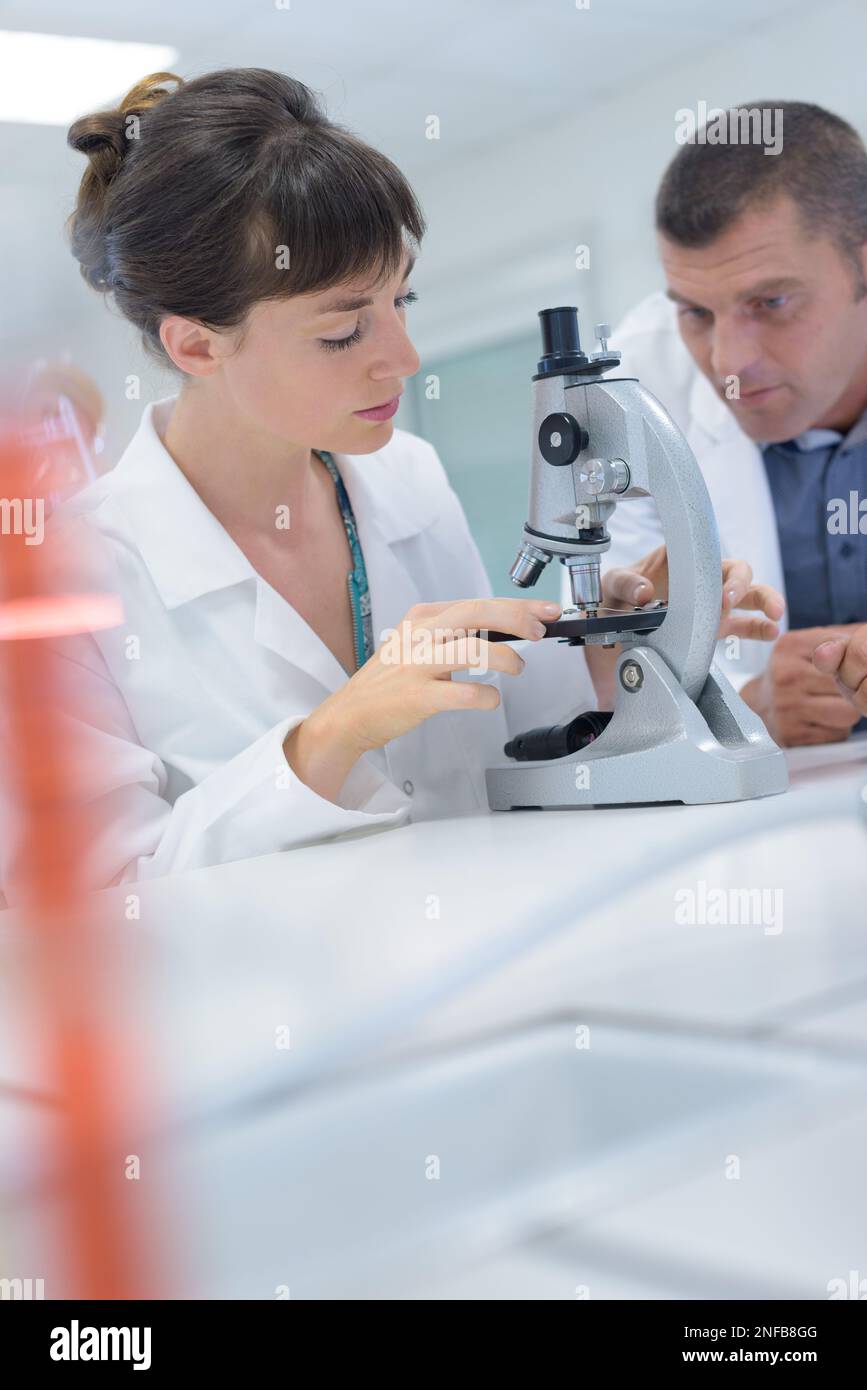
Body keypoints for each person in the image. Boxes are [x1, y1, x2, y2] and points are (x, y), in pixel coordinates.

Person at [0, 68, 781, 897]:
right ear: (197, 346)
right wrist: (329, 736)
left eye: (400, 299)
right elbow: (90, 902)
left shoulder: (406, 477)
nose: (403, 358)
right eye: (344, 331)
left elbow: (512, 745)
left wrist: (616, 644)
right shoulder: (67, 574)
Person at [596, 101, 867, 747]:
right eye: (694, 312)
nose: (727, 364)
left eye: (770, 302)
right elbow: (622, 666)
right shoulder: (635, 389)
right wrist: (745, 708)